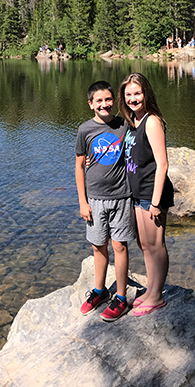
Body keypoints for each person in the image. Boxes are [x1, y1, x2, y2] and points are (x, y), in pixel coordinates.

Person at [75, 80, 136, 321]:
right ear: (90, 104)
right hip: (95, 199)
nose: (104, 104)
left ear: (115, 101)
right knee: (98, 246)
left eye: (108, 100)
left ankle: (121, 297)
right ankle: (100, 291)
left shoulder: (124, 124)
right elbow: (80, 165)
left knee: (120, 245)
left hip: (121, 197)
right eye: (99, 101)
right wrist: (82, 201)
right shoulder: (85, 130)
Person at [121, 72, 172, 316]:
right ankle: (151, 289)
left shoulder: (151, 121)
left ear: (146, 94)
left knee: (156, 244)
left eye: (137, 93)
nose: (133, 98)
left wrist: (155, 202)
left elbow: (162, 164)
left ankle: (157, 295)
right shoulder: (133, 121)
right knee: (144, 244)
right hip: (137, 192)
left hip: (152, 194)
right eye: (129, 94)